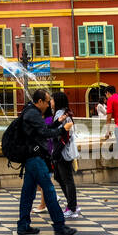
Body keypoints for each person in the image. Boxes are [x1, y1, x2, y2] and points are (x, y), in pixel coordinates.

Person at [16, 89, 76, 235]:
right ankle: (59, 226)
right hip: (35, 158)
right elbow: (44, 133)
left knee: (28, 192)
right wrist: (63, 129)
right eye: (47, 101)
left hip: (30, 157)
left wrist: (57, 122)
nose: (49, 104)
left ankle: (23, 225)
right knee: (49, 190)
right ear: (40, 102)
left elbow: (42, 129)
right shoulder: (33, 114)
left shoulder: (29, 111)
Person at [43, 91, 79, 219]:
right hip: (62, 150)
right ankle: (72, 202)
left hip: (62, 151)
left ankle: (72, 207)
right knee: (59, 176)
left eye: (51, 100)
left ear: (56, 101)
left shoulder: (59, 113)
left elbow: (59, 132)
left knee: (67, 179)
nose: (50, 102)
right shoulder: (64, 112)